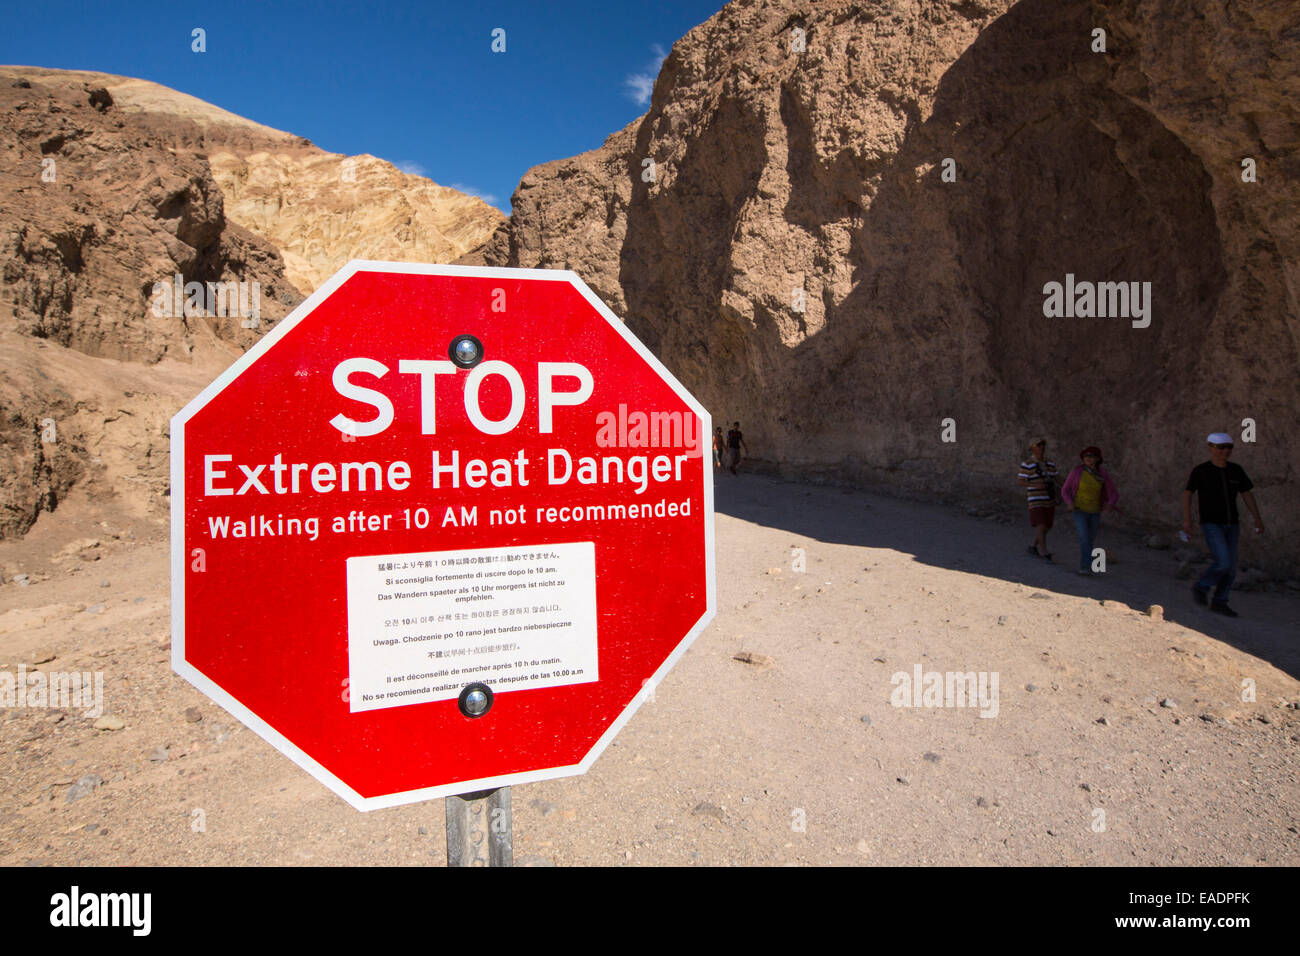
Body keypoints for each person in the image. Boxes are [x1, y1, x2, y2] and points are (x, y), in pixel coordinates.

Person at [1183, 432, 1265, 617]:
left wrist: (1257, 518)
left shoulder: (1236, 470)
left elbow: (1247, 494)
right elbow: (1188, 494)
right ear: (1211, 448)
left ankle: (1220, 601)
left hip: (1232, 523)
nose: (1225, 451)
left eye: (1229, 448)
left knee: (1230, 566)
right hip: (1211, 523)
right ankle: (1202, 586)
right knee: (1224, 561)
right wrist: (1187, 520)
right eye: (1221, 448)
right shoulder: (1201, 471)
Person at [1061, 446, 1120, 575]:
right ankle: (1085, 567)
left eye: (1092, 456)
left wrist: (1110, 504)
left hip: (1095, 511)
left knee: (1090, 539)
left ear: (1098, 458)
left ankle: (1092, 564)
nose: (1088, 458)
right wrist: (1070, 503)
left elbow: (1114, 493)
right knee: (1084, 538)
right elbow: (1065, 490)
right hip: (1079, 510)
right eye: (1086, 456)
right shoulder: (1077, 472)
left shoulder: (1102, 474)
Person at [1018, 438, 1058, 560]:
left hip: (1048, 498)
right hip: (1035, 498)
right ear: (1032, 448)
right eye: (1038, 445)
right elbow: (1021, 481)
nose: (1041, 447)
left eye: (1043, 445)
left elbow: (1056, 477)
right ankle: (1044, 552)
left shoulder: (1049, 463)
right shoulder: (1027, 464)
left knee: (1047, 525)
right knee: (1041, 524)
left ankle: (1033, 546)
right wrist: (1035, 485)